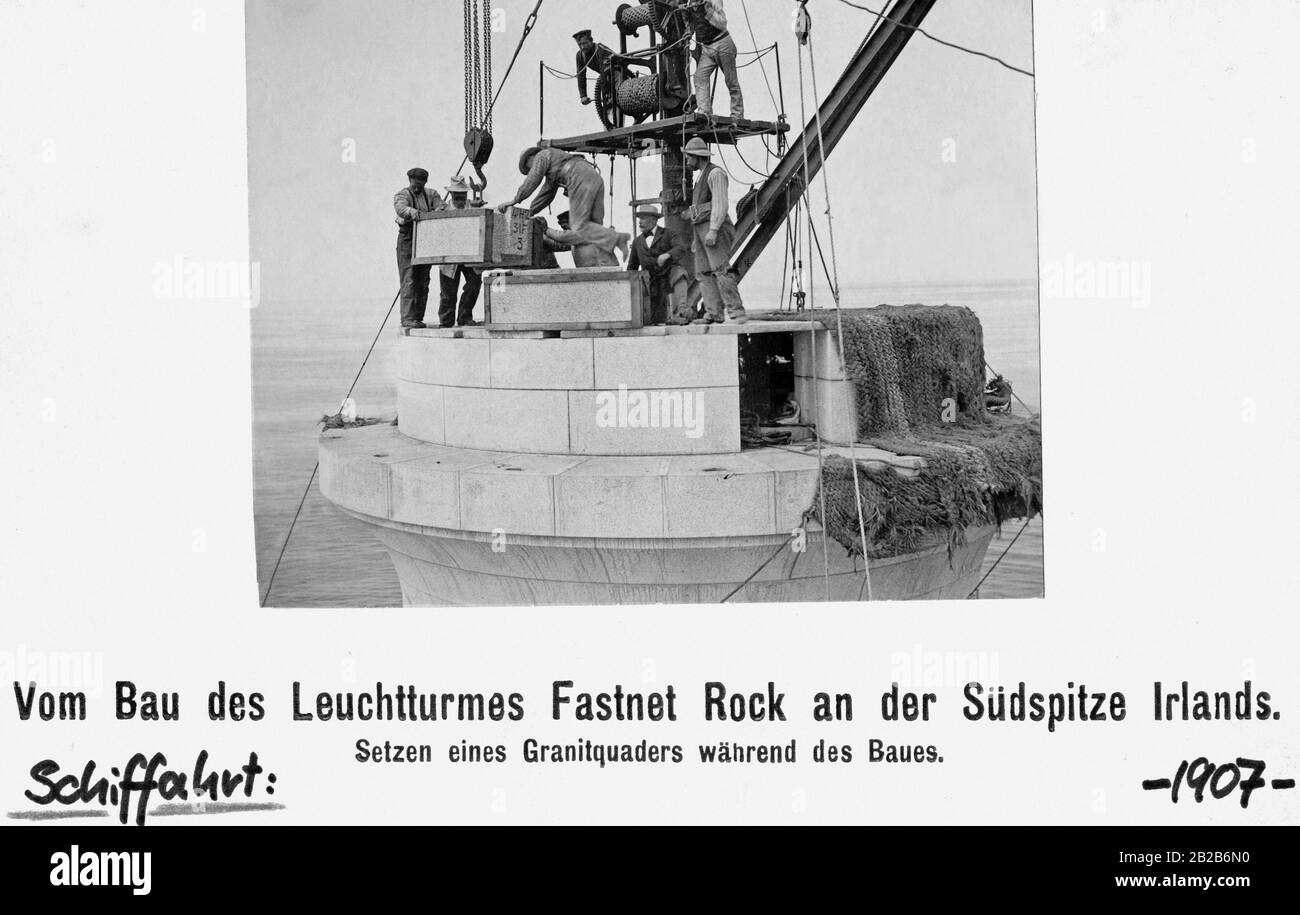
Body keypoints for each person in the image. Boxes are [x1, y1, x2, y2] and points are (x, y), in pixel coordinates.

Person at [497, 146, 629, 267]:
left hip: (578, 177)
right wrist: (530, 212)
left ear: (531, 157)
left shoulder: (542, 155)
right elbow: (546, 194)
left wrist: (515, 200)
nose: (531, 169)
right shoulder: (555, 166)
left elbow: (533, 179)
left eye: (529, 167)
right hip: (593, 177)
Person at [683, 137, 745, 324]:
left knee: (721, 270)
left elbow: (720, 203)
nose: (687, 162)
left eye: (688, 158)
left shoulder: (715, 173)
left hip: (713, 227)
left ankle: (736, 311)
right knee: (702, 272)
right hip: (701, 229)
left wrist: (713, 230)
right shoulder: (701, 176)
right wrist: (697, 237)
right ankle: (714, 313)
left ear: (697, 157)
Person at [393, 167, 445, 329]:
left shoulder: (432, 194)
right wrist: (412, 212)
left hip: (426, 241)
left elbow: (442, 207)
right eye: (415, 182)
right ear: (410, 180)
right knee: (409, 279)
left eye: (421, 182)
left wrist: (435, 212)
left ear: (425, 182)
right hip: (408, 240)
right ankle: (407, 318)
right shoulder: (402, 195)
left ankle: (417, 317)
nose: (418, 186)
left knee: (423, 280)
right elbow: (401, 208)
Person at [626, 205, 697, 325]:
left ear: (654, 220)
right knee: (656, 320)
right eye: (639, 219)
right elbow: (631, 267)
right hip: (652, 282)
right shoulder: (637, 242)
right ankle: (669, 317)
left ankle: (682, 308)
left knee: (679, 272)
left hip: (668, 274)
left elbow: (681, 248)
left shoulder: (668, 234)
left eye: (643, 218)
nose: (640, 222)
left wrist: (667, 255)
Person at [436, 175, 483, 327]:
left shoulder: (473, 206)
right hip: (450, 258)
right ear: (451, 195)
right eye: (457, 196)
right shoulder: (443, 209)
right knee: (448, 292)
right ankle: (446, 321)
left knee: (474, 284)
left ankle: (464, 317)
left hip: (470, 256)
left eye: (463, 195)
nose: (461, 199)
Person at [688, 0, 743, 119]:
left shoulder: (713, 1)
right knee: (699, 77)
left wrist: (709, 12)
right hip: (707, 48)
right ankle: (704, 113)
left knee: (731, 81)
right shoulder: (690, 5)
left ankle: (737, 114)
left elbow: (722, 23)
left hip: (723, 43)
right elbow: (693, 25)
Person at [573, 29, 615, 107]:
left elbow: (605, 72)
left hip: (616, 73)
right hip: (606, 78)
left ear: (591, 41)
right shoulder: (580, 56)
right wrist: (583, 95)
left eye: (584, 43)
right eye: (579, 45)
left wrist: (605, 95)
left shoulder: (600, 49)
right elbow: (581, 75)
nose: (582, 47)